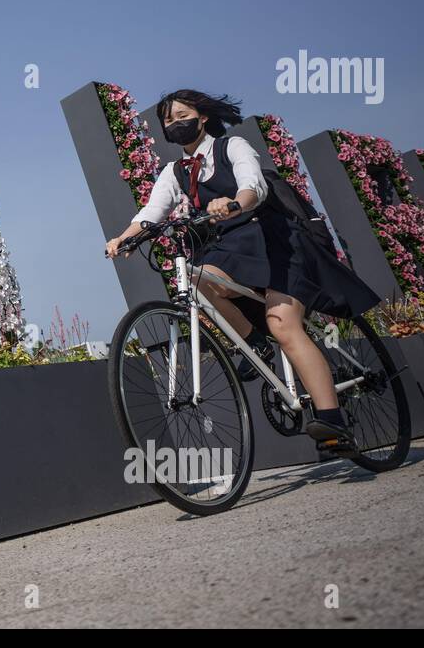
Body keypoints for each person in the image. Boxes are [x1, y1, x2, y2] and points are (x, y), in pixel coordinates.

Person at [105, 90, 381, 454]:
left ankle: (332, 421)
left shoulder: (232, 147)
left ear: (202, 117)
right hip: (233, 247)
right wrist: (124, 238)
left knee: (283, 323)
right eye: (168, 121)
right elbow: (152, 211)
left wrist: (234, 202)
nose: (175, 125)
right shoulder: (174, 172)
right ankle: (253, 341)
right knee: (198, 278)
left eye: (181, 116)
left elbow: (254, 186)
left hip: (276, 242)